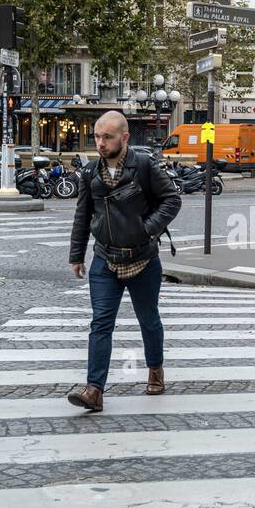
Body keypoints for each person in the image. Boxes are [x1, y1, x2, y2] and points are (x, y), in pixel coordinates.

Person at [66, 111, 182, 412]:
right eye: (97, 137)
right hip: (104, 257)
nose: (101, 143)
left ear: (125, 137)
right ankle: (94, 390)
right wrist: (76, 255)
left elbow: (172, 199)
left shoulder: (143, 166)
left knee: (149, 320)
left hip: (142, 258)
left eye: (108, 137)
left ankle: (155, 370)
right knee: (101, 323)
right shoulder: (90, 172)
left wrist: (147, 228)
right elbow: (83, 215)